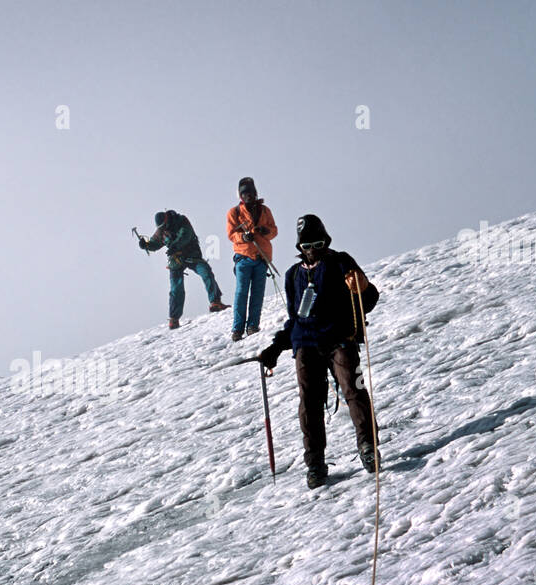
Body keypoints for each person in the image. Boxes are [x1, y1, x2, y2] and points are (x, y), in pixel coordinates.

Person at [258, 214, 380, 488]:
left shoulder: (340, 262)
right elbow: (295, 320)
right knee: (309, 405)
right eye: (307, 244)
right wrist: (276, 347)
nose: (313, 248)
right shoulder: (292, 276)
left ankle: (368, 447)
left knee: (353, 390)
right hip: (305, 345)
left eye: (319, 242)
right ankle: (315, 465)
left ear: (327, 241)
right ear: (299, 246)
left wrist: (363, 288)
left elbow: (369, 300)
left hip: (341, 339)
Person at [138, 210, 228, 329]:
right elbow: (155, 243)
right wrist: (147, 245)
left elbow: (186, 235)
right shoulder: (161, 231)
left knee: (206, 273)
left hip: (192, 255)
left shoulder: (181, 221)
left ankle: (215, 301)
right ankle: (174, 318)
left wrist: (174, 246)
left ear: (167, 220)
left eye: (164, 225)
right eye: (161, 227)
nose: (163, 228)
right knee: (176, 288)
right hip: (176, 261)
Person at [226, 177, 278, 341]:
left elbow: (274, 231)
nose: (249, 195)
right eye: (245, 193)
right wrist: (244, 236)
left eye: (251, 192)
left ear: (255, 193)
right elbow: (232, 235)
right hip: (243, 257)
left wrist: (264, 231)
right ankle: (238, 329)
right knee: (241, 293)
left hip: (262, 258)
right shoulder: (234, 212)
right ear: (240, 196)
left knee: (257, 294)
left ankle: (252, 326)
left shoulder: (265, 210)